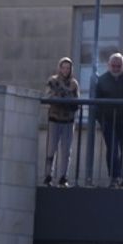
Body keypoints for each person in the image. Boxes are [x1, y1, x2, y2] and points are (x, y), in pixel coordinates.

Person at [94, 51, 123, 187]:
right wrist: (100, 119)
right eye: (113, 66)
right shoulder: (102, 80)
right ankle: (114, 177)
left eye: (118, 66)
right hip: (109, 121)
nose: (115, 68)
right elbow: (96, 102)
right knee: (113, 149)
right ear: (108, 65)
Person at [43, 57, 80, 186]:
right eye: (63, 67)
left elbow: (76, 102)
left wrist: (66, 100)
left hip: (68, 120)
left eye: (68, 68)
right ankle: (48, 175)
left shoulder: (74, 84)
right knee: (51, 149)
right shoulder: (53, 81)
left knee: (66, 151)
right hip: (54, 119)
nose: (65, 70)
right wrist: (61, 98)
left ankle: (63, 177)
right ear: (60, 68)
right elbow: (48, 96)